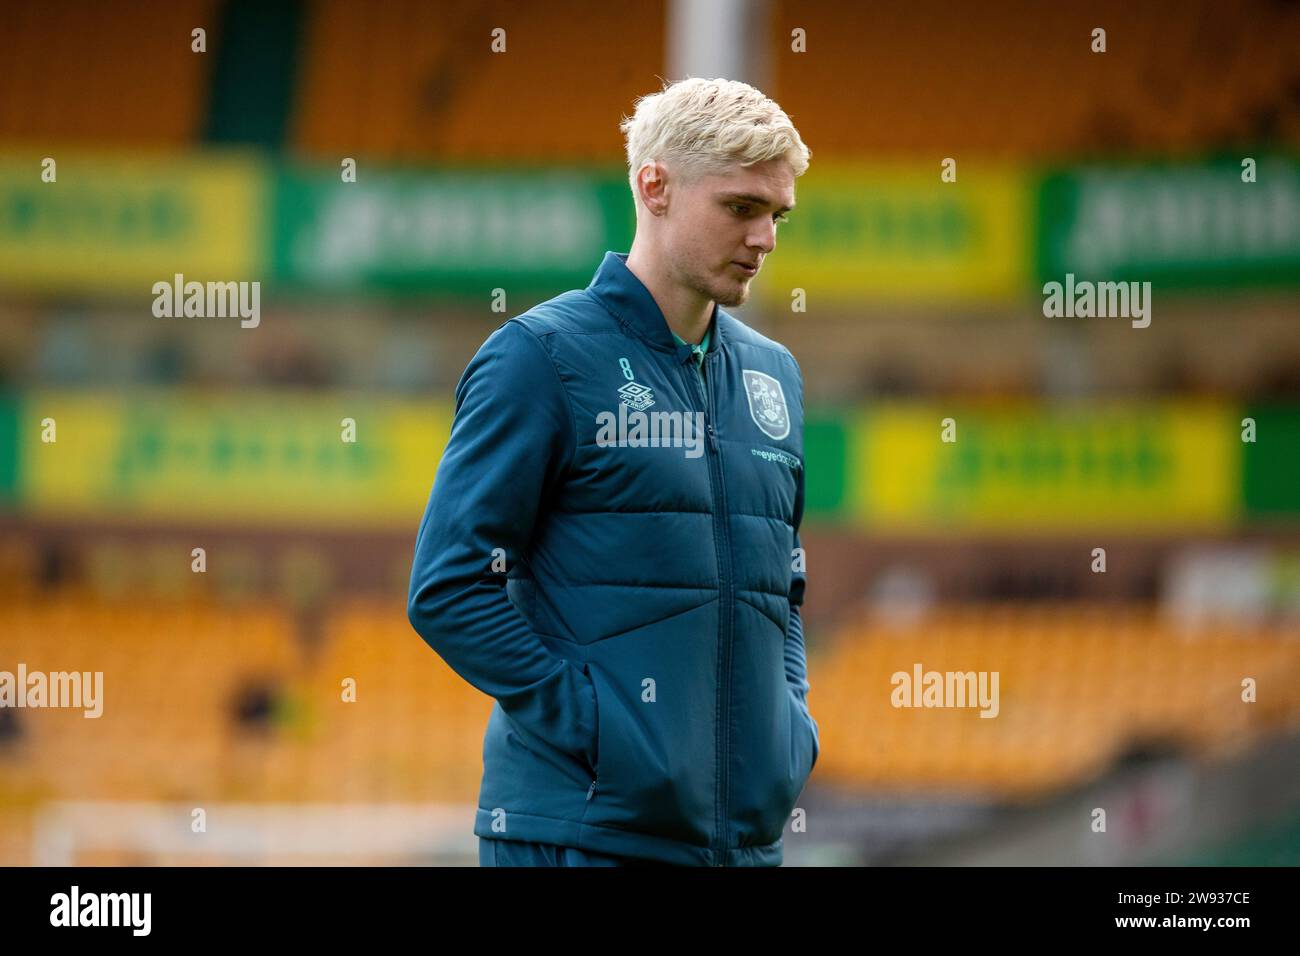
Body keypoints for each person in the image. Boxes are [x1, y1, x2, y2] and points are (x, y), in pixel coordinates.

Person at [408, 76, 818, 867]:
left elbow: (784, 592)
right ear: (654, 186)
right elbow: (448, 588)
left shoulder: (776, 377)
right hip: (581, 836)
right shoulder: (540, 357)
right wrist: (605, 732)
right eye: (740, 208)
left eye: (778, 215)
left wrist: (786, 730)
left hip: (742, 845)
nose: (765, 238)